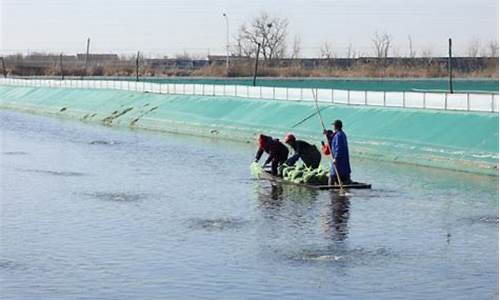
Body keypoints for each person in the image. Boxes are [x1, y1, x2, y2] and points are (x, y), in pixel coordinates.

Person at [323, 120, 351, 185]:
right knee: (343, 178)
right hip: (343, 163)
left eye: (334, 126)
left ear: (335, 126)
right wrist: (327, 134)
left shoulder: (338, 136)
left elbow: (339, 149)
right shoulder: (341, 134)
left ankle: (332, 190)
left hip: (338, 162)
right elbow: (331, 137)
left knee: (332, 178)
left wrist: (336, 159)